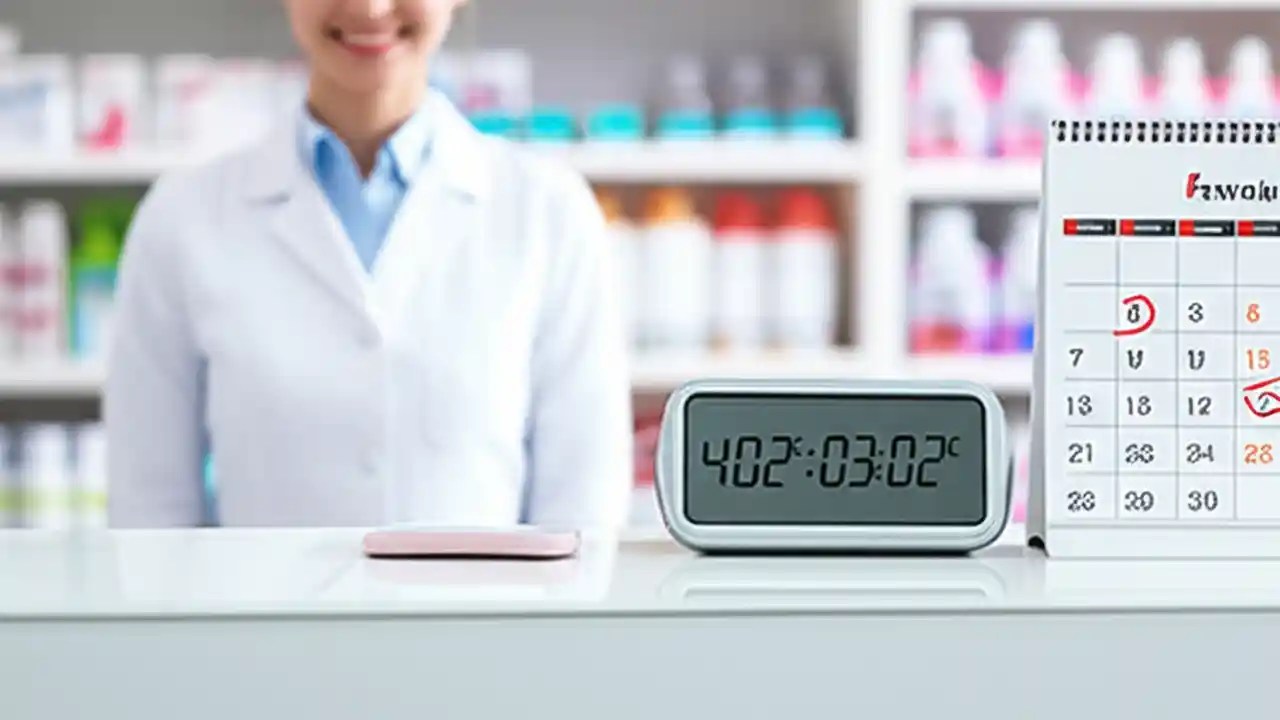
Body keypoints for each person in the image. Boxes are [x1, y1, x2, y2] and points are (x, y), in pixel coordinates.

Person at [106, 0, 632, 528]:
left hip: (484, 612)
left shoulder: (549, 211)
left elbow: (584, 512)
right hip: (261, 612)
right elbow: (148, 515)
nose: (371, 7)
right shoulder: (180, 217)